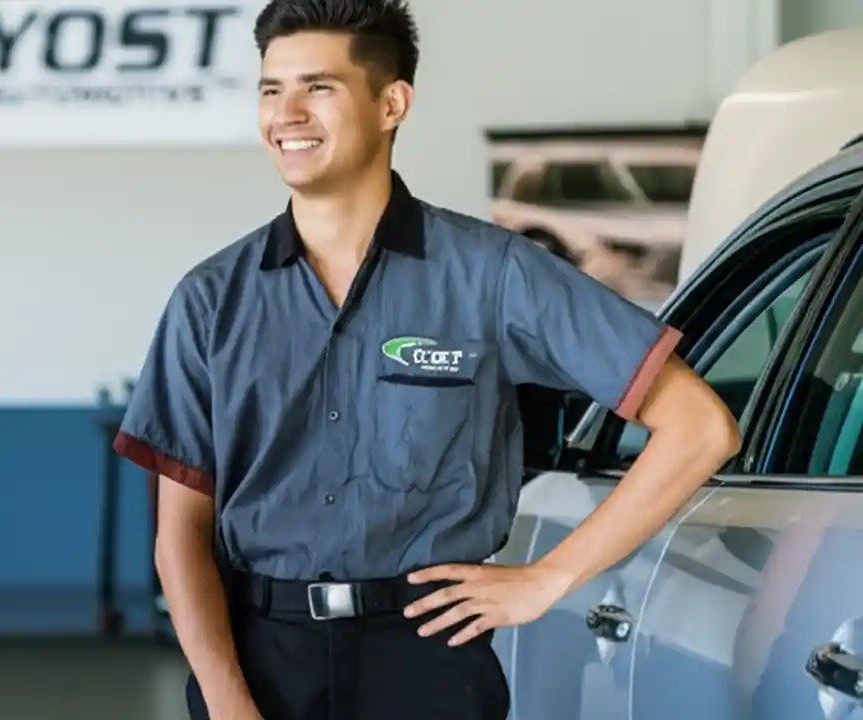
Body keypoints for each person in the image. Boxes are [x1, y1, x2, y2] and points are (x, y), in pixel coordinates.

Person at [112, 1, 740, 718]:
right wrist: (229, 703)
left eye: (317, 88)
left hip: (428, 655)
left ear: (392, 103)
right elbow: (180, 538)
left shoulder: (494, 274)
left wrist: (548, 578)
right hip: (259, 660)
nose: (286, 113)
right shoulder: (210, 300)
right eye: (270, 90)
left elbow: (700, 427)